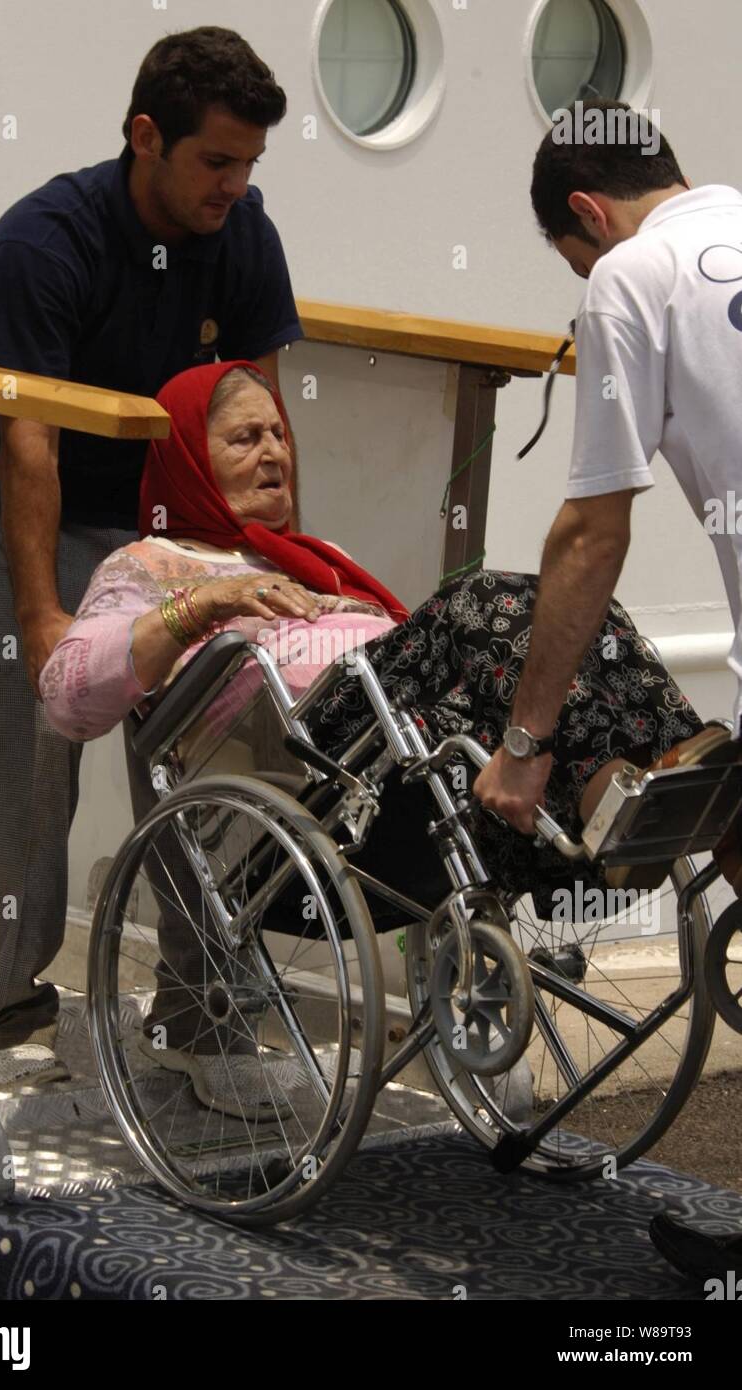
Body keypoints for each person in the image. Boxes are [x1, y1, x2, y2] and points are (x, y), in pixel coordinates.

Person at [39, 360, 722, 1115]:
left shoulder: (316, 557)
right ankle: (613, 800)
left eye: (277, 432)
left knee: (569, 608)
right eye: (242, 438)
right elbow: (67, 699)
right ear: (189, 463)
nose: (273, 451)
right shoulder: (145, 566)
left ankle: (664, 775)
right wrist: (204, 603)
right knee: (484, 600)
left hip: (404, 760)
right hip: (313, 778)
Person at [0, 27, 303, 1091]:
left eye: (248, 165)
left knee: (206, 745)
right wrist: (46, 617)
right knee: (35, 749)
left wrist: (273, 563)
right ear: (146, 136)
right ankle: (2, 1010)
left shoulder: (240, 232)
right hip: (20, 519)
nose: (233, 186)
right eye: (214, 162)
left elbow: (257, 413)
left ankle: (201, 1015)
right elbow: (27, 442)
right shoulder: (43, 242)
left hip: (160, 530)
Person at [472, 98, 742, 1284]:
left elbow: (589, 529)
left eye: (570, 257)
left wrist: (524, 740)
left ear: (585, 213)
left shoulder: (628, 277)